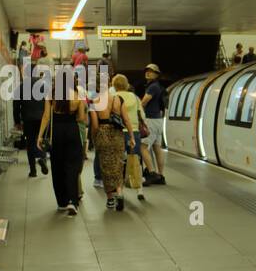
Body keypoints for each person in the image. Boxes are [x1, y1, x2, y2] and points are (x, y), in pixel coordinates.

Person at [37, 73, 85, 215]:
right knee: (72, 166)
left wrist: (39, 136)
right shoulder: (77, 95)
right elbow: (82, 118)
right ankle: (73, 201)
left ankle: (62, 202)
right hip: (72, 131)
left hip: (56, 132)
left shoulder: (51, 94)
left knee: (57, 166)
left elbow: (46, 116)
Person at [91, 74, 138, 211]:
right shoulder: (118, 99)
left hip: (103, 134)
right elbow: (127, 120)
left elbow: (94, 125)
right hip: (117, 135)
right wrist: (132, 137)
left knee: (105, 168)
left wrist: (94, 139)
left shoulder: (95, 101)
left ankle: (110, 199)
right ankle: (120, 192)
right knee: (118, 165)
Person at [16, 61, 48, 178]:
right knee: (40, 140)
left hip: (28, 118)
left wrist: (17, 121)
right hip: (41, 118)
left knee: (30, 143)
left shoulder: (21, 86)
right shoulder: (43, 85)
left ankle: (33, 171)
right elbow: (47, 103)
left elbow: (16, 105)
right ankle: (42, 158)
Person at [139, 63, 167, 183]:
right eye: (147, 70)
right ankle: (161, 175)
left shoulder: (152, 87)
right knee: (157, 148)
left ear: (156, 74)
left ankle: (151, 172)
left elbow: (144, 102)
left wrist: (136, 110)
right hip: (158, 120)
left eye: (151, 71)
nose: (148, 72)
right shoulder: (158, 86)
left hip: (150, 119)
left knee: (142, 147)